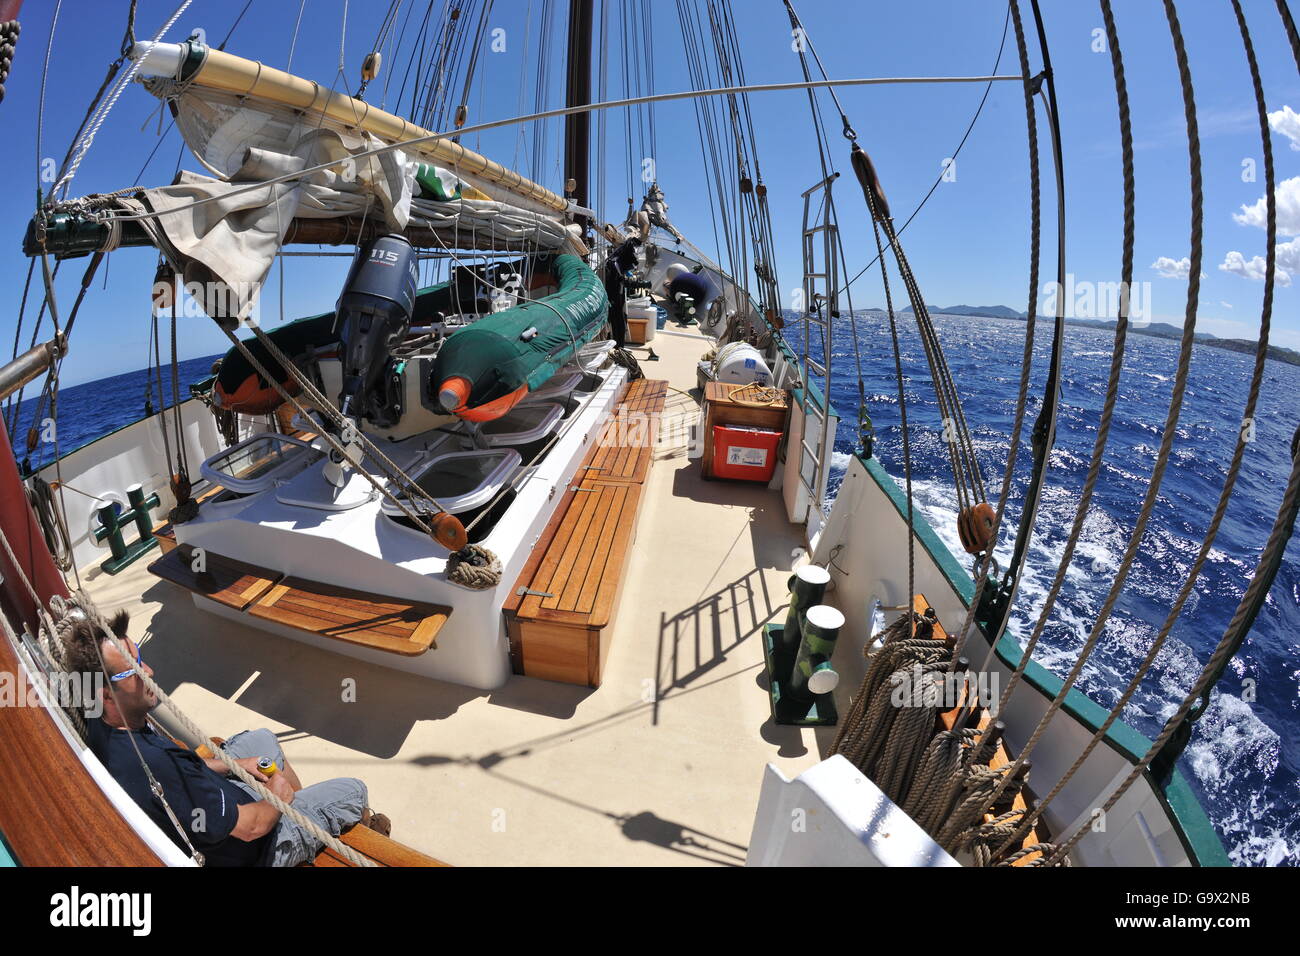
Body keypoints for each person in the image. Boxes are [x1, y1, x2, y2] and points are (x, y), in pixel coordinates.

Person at [65, 610, 389, 866]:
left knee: (261, 740)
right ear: (107, 695)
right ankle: (337, 827)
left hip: (222, 799)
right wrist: (279, 797)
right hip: (256, 849)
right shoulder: (155, 766)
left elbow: (186, 775)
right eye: (132, 668)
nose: (147, 670)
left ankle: (309, 821)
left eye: (140, 657)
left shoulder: (106, 724)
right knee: (353, 790)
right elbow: (250, 829)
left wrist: (234, 764)